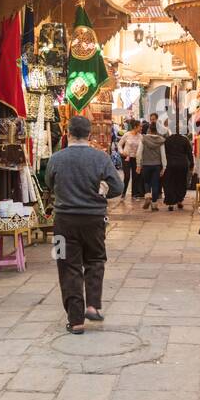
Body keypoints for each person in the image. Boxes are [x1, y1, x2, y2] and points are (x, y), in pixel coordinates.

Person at [46, 115, 124, 333]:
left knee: (66, 264)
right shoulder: (100, 158)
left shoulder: (56, 158)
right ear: (89, 134)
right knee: (95, 260)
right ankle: (92, 305)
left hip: (63, 221)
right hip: (94, 220)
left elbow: (49, 183)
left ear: (67, 133)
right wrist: (103, 190)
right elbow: (118, 187)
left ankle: (76, 319)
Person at [162, 129, 193, 211]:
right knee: (181, 182)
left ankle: (171, 203)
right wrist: (192, 164)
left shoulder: (167, 140)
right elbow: (189, 152)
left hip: (170, 164)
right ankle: (179, 201)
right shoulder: (185, 140)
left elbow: (164, 153)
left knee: (170, 182)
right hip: (182, 164)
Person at [138, 121, 166, 210]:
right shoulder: (161, 140)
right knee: (155, 184)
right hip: (157, 165)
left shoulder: (143, 139)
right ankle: (154, 204)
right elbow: (163, 155)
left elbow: (139, 152)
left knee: (146, 182)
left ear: (149, 129)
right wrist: (164, 167)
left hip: (146, 164)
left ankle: (147, 197)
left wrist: (138, 164)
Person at [117, 119, 143, 200]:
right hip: (126, 157)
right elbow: (119, 145)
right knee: (127, 176)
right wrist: (122, 152)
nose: (141, 128)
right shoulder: (127, 135)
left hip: (135, 158)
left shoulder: (140, 136)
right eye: (140, 127)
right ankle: (123, 193)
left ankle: (134, 194)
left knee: (136, 176)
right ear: (135, 127)